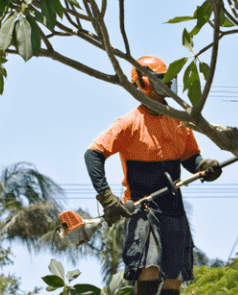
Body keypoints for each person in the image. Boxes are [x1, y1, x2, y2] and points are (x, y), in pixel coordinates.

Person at [84, 56, 222, 295]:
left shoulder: (179, 120)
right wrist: (107, 198)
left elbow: (190, 157)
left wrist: (205, 166)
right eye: (160, 81)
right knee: (149, 268)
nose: (165, 86)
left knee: (175, 278)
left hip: (173, 207)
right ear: (143, 84)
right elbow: (93, 154)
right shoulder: (129, 123)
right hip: (143, 208)